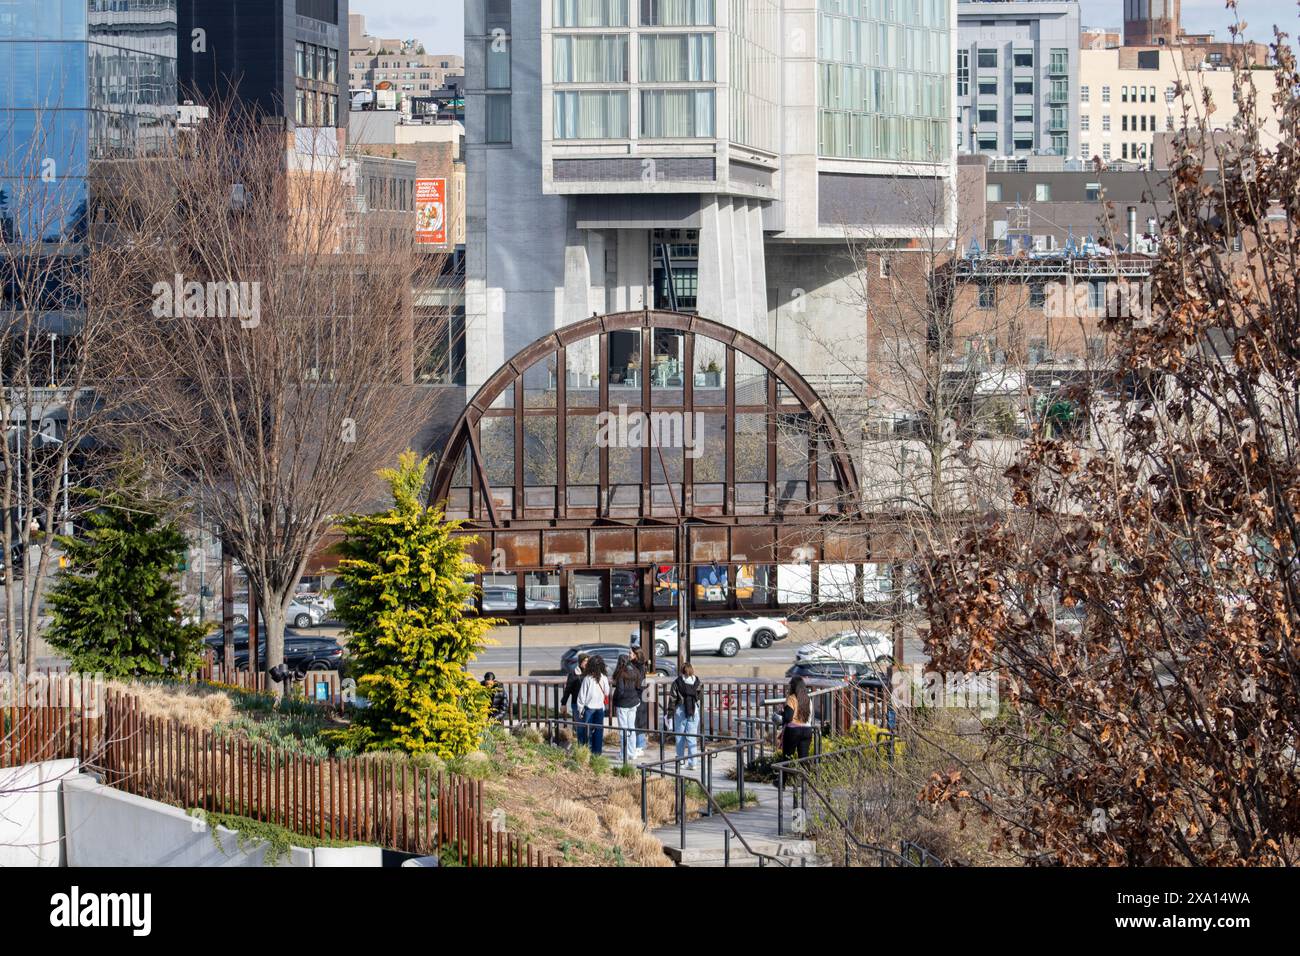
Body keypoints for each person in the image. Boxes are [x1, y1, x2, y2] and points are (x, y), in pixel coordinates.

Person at [669, 663, 702, 770]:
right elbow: (700, 697)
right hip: (693, 711)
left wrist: (670, 712)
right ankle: (693, 763)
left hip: (680, 710)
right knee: (692, 737)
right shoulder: (697, 682)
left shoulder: (677, 682)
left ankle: (680, 761)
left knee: (680, 737)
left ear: (681, 671)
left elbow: (673, 699)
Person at [611, 654, 643, 763]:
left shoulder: (621, 674)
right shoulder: (635, 671)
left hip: (623, 704)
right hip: (633, 702)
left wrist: (614, 700)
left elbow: (620, 691)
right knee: (631, 728)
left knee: (623, 729)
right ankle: (632, 753)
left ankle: (623, 754)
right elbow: (639, 687)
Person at [577, 656, 610, 757]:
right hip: (600, 709)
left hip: (589, 709)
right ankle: (597, 753)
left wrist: (580, 709)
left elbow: (582, 696)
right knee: (598, 732)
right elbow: (607, 692)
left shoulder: (587, 679)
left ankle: (587, 753)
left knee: (587, 732)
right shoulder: (604, 678)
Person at [780, 675, 814, 762]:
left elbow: (788, 718)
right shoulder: (808, 699)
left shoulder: (792, 699)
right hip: (807, 730)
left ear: (793, 686)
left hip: (793, 731)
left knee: (787, 758)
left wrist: (782, 712)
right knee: (804, 759)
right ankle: (804, 775)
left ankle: (785, 775)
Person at [560, 653, 588, 736]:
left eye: (587, 661)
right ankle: (580, 745)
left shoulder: (590, 673)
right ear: (580, 662)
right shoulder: (574, 674)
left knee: (587, 726)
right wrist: (563, 703)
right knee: (579, 726)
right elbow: (568, 689)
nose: (586, 663)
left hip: (588, 704)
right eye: (584, 661)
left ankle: (586, 744)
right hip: (576, 703)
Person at [633, 647, 651, 753]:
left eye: (630, 653)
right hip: (641, 695)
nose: (628, 655)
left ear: (636, 655)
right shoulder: (641, 666)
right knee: (639, 720)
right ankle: (639, 745)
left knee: (638, 720)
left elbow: (639, 684)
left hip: (638, 696)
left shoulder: (638, 667)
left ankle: (639, 745)